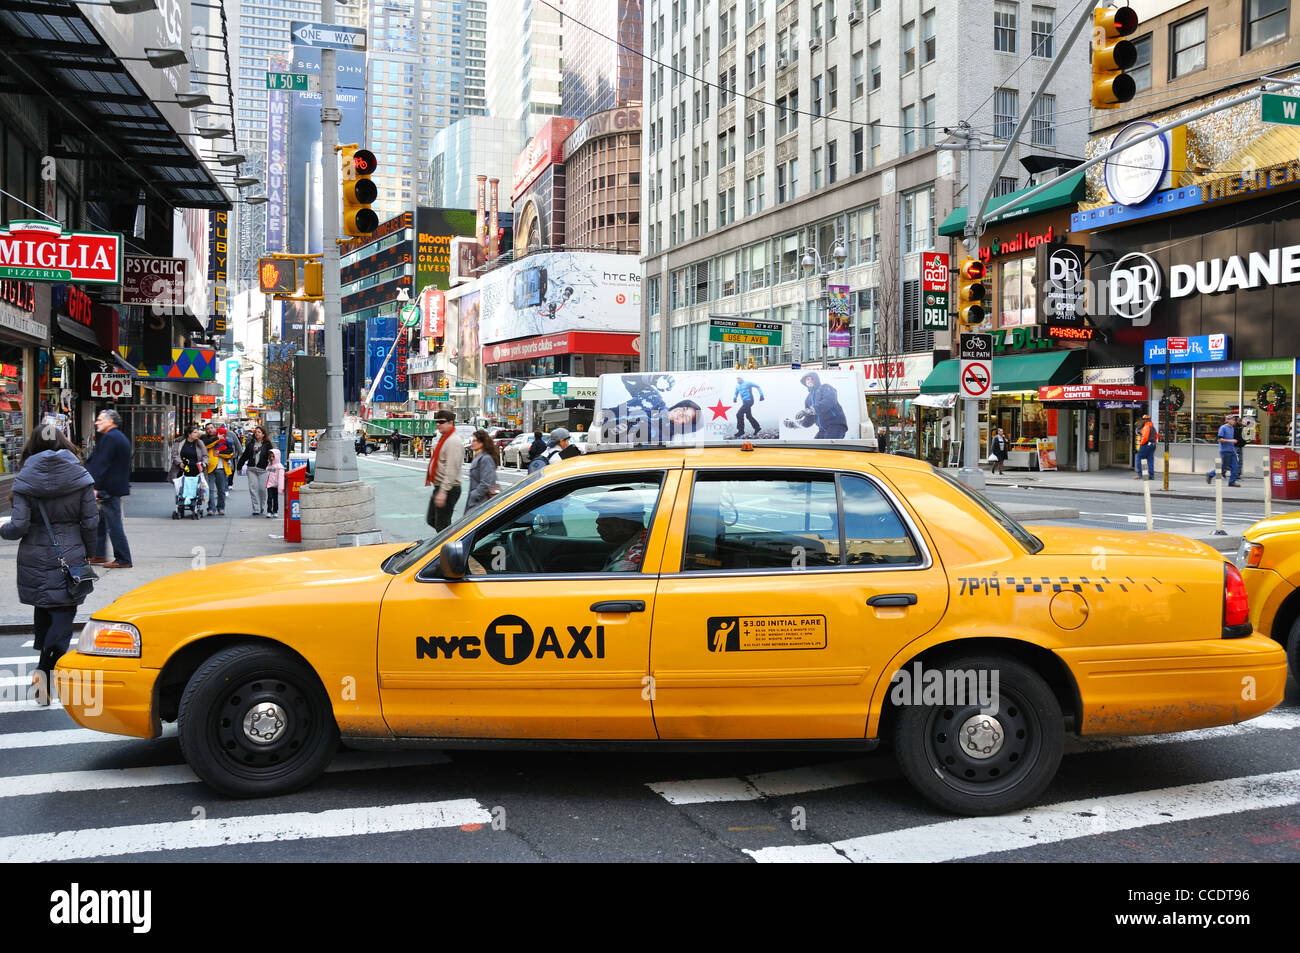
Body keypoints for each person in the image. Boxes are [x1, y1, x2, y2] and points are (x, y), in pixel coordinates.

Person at [1, 427, 99, 704]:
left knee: (44, 606)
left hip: (34, 553)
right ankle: (46, 669)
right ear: (63, 442)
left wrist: (3, 530)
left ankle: (43, 666)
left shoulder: (24, 479)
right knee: (64, 612)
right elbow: (91, 522)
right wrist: (88, 553)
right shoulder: (80, 477)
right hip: (69, 551)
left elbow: (18, 525)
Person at [85, 408, 133, 568]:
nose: (96, 422)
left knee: (113, 524)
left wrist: (95, 487)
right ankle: (99, 554)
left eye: (100, 419)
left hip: (108, 489)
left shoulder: (111, 438)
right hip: (110, 487)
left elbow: (101, 464)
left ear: (110, 421)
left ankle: (123, 558)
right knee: (101, 522)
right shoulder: (114, 437)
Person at [589, 488, 651, 572]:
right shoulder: (641, 542)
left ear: (628, 520)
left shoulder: (630, 562)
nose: (598, 520)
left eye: (606, 515)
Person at [425, 410, 465, 531]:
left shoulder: (453, 441)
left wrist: (443, 491)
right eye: (437, 421)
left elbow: (452, 468)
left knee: (442, 525)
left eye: (441, 422)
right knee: (433, 520)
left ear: (450, 423)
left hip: (448, 487)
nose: (438, 424)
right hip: (442, 486)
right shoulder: (445, 438)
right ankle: (450, 541)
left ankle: (452, 545)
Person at [795, 372, 849, 439]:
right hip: (822, 429)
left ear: (816, 380)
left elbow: (829, 401)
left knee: (828, 447)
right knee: (815, 447)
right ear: (805, 382)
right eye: (807, 379)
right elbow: (810, 419)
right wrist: (796, 424)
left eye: (812, 378)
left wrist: (811, 410)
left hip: (835, 425)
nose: (810, 380)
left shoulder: (825, 387)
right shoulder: (808, 399)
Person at [238, 425, 273, 516]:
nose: (256, 433)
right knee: (253, 489)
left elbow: (272, 456)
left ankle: (262, 506)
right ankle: (256, 508)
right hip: (252, 469)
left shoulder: (267, 444)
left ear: (263, 434)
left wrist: (273, 467)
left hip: (263, 469)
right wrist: (239, 466)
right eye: (256, 432)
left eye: (259, 432)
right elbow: (245, 455)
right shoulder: (250, 443)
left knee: (262, 489)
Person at [466, 429, 500, 510]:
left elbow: (487, 482)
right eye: (472, 440)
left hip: (481, 502)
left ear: (482, 443)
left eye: (474, 441)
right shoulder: (479, 457)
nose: (472, 443)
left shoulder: (485, 458)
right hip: (477, 501)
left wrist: (474, 495)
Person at [1212, 414, 1238, 485]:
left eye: (1234, 420)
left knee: (1235, 467)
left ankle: (1232, 482)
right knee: (1223, 467)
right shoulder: (1223, 428)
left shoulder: (1232, 428)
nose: (1234, 421)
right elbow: (1220, 439)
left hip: (1232, 451)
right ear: (1228, 420)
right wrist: (1231, 441)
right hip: (1225, 450)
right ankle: (1210, 474)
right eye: (1232, 420)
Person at [1134, 414, 1157, 481]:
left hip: (1145, 445)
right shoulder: (1152, 427)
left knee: (1139, 458)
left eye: (1143, 419)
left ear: (1144, 420)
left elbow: (1145, 437)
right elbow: (1156, 436)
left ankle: (1140, 474)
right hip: (1152, 444)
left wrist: (1141, 444)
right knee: (1150, 460)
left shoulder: (1146, 427)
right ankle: (1151, 476)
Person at [264, 447, 285, 518]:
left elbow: (281, 478)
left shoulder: (279, 467)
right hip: (270, 485)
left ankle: (275, 511)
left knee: (275, 499)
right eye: (270, 456)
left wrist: (280, 488)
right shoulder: (269, 465)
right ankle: (269, 511)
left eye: (273, 456)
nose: (272, 458)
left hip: (276, 485)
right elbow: (267, 475)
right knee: (269, 498)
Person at [1232, 416, 1248, 485]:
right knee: (1236, 461)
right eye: (1239, 421)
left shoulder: (1241, 428)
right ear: (1236, 421)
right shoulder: (1233, 428)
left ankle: (1237, 475)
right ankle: (1235, 475)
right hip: (1235, 447)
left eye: (1241, 421)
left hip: (1240, 446)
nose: (1241, 422)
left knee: (1240, 461)